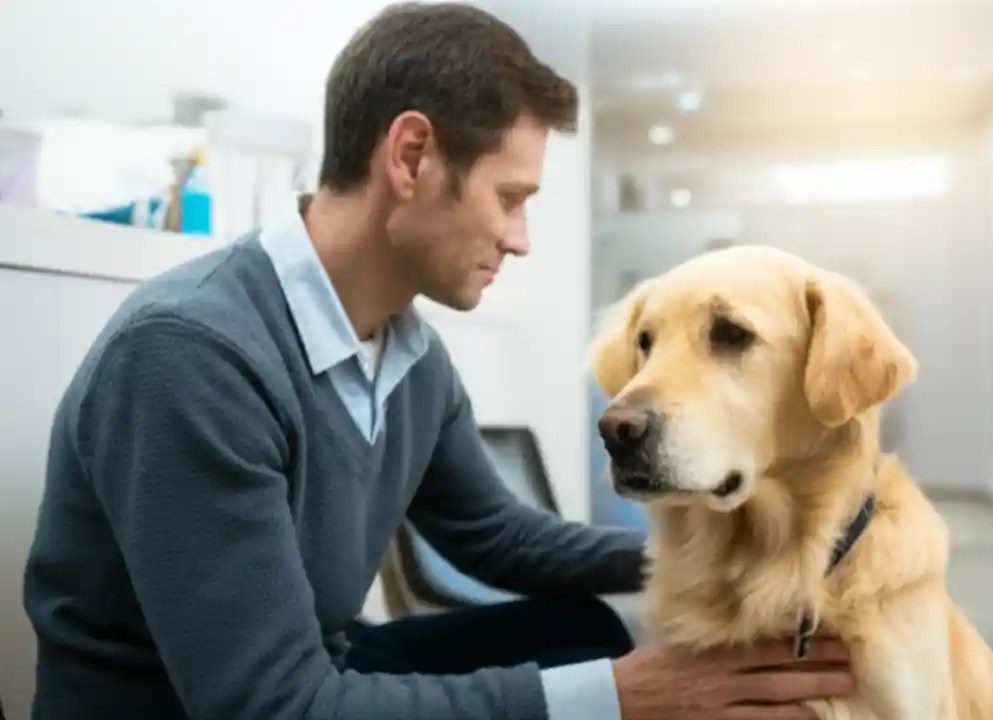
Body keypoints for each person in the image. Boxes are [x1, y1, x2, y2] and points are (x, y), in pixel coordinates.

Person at [22, 3, 854, 719]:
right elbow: (271, 706)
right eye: (510, 198)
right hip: (233, 710)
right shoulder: (192, 357)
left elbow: (494, 537)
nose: (520, 240)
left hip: (318, 678)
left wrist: (736, 552)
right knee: (605, 684)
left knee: (582, 636)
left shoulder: (407, 352)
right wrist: (625, 695)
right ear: (412, 156)